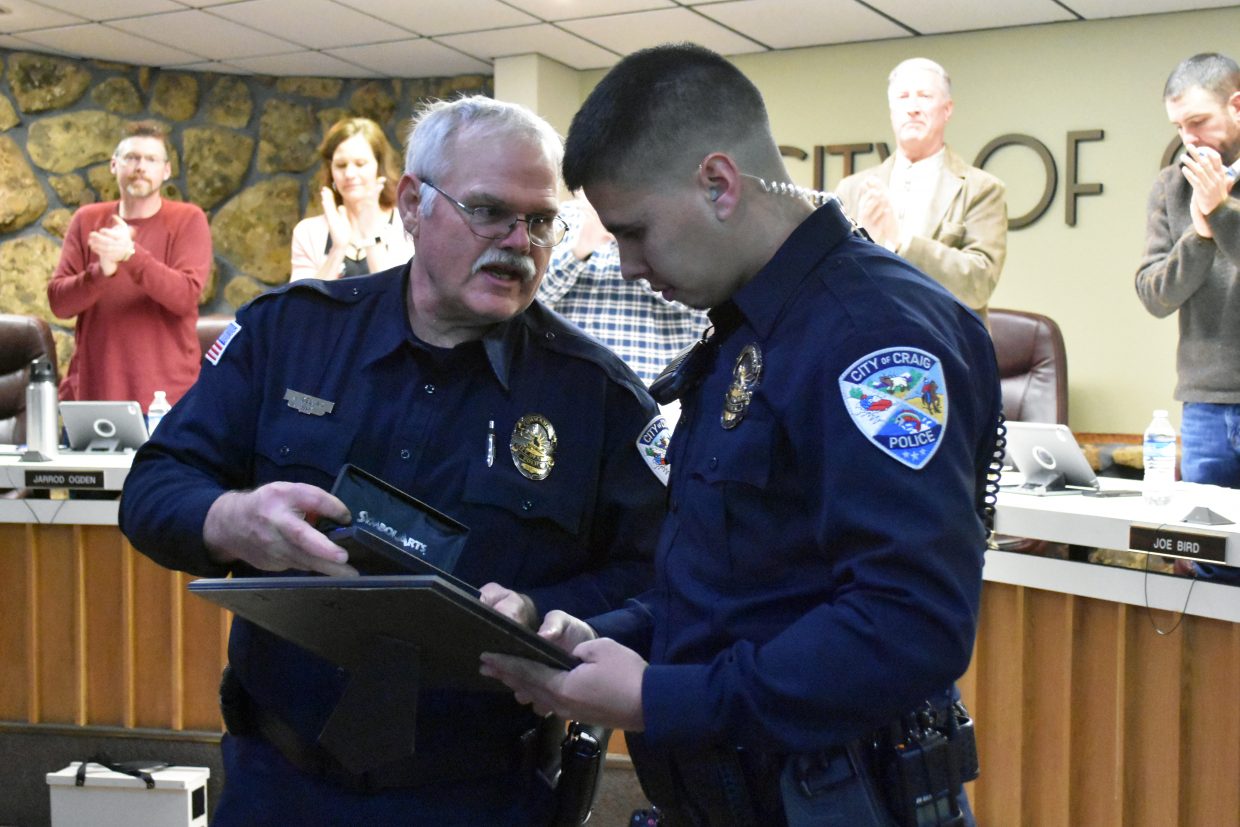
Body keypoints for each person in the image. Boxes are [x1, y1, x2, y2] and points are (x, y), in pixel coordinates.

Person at [481, 44, 1002, 827]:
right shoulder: (745, 330)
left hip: (835, 797)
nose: (624, 266)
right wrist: (596, 637)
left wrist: (659, 695)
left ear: (719, 185)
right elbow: (735, 584)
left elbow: (908, 624)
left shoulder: (873, 337)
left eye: (635, 231)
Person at [119, 96, 667, 825]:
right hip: (280, 783)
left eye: (539, 221)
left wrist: (553, 613)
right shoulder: (291, 333)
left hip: (483, 794)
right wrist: (231, 518)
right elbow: (154, 485)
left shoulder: (595, 395)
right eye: (489, 211)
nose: (519, 242)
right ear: (412, 202)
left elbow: (663, 579)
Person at [47, 120, 211, 412]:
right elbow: (59, 303)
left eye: (151, 159)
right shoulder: (86, 220)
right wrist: (101, 273)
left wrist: (131, 255)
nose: (140, 166)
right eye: (131, 158)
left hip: (166, 402)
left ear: (167, 171)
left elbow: (185, 296)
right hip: (91, 398)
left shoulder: (189, 219)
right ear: (114, 165)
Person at [835, 57, 1007, 328]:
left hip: (946, 344)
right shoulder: (851, 188)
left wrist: (901, 243)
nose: (913, 108)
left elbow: (979, 283)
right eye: (903, 97)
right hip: (865, 340)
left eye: (925, 96)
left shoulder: (981, 189)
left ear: (947, 109)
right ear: (892, 111)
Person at [1137, 52, 1240, 489]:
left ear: (1236, 105)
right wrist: (1198, 236)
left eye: (1197, 121)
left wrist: (1219, 212)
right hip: (1204, 403)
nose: (1188, 139)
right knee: (1206, 548)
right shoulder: (1171, 186)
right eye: (1178, 127)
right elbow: (1154, 295)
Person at [538, 194, 709, 386]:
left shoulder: (677, 218)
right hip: (575, 382)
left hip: (656, 385)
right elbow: (535, 297)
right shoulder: (565, 218)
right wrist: (580, 249)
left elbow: (698, 299)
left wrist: (636, 248)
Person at [290, 117, 415, 281]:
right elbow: (300, 304)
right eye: (341, 165)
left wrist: (372, 238)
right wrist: (338, 248)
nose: (349, 174)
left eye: (360, 163)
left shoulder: (407, 225)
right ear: (331, 171)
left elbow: (397, 299)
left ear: (379, 167)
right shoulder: (308, 232)